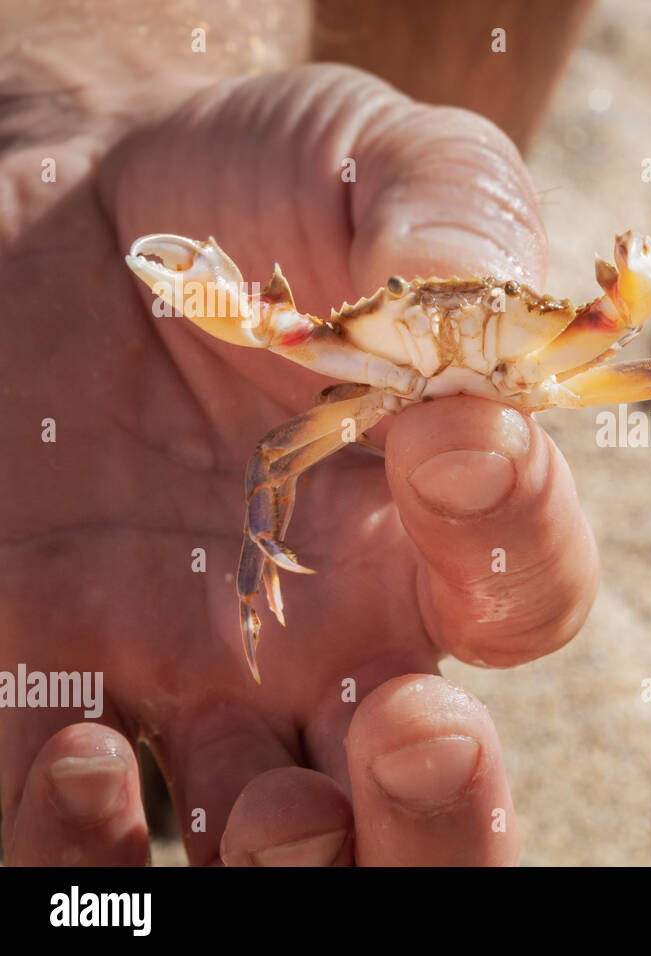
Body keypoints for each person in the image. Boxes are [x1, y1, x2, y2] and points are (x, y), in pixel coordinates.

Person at [0, 0, 597, 865]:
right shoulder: (336, 366)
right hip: (371, 387)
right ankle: (240, 634)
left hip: (419, 384)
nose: (447, 311)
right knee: (276, 460)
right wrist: (54, 128)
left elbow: (649, 347)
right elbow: (274, 367)